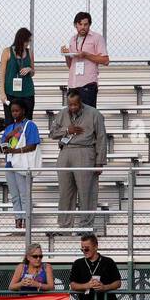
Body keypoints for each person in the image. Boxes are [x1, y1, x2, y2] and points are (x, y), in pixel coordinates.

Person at [49, 91, 107, 228]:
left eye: (75, 104)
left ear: (81, 102)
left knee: (86, 191)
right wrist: (67, 130)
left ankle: (85, 226)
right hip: (65, 151)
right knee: (65, 192)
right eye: (70, 104)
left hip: (85, 151)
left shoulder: (94, 113)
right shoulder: (62, 113)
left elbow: (101, 137)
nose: (73, 107)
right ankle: (64, 226)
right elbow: (52, 133)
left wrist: (100, 161)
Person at [0, 99, 42, 229]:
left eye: (17, 110)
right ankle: (18, 224)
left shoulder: (30, 125)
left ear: (24, 110)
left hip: (23, 165)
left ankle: (27, 225)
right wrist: (8, 137)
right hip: (10, 165)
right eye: (12, 111)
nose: (15, 113)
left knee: (24, 195)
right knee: (14, 196)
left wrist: (15, 151)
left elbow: (33, 146)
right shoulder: (9, 128)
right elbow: (2, 149)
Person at [61, 11, 109, 109]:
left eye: (86, 24)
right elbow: (70, 66)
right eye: (80, 24)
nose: (83, 27)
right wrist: (66, 55)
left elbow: (105, 60)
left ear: (89, 25)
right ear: (75, 25)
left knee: (88, 117)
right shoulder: (72, 39)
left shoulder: (97, 38)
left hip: (88, 83)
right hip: (73, 84)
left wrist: (86, 55)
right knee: (73, 117)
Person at [0, 27, 36, 120]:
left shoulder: (29, 52)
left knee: (27, 120)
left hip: (27, 91)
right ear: (21, 39)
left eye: (29, 41)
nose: (27, 44)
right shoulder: (7, 51)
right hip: (11, 92)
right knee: (10, 120)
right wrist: (2, 92)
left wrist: (29, 69)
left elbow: (33, 72)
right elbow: (2, 74)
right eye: (26, 41)